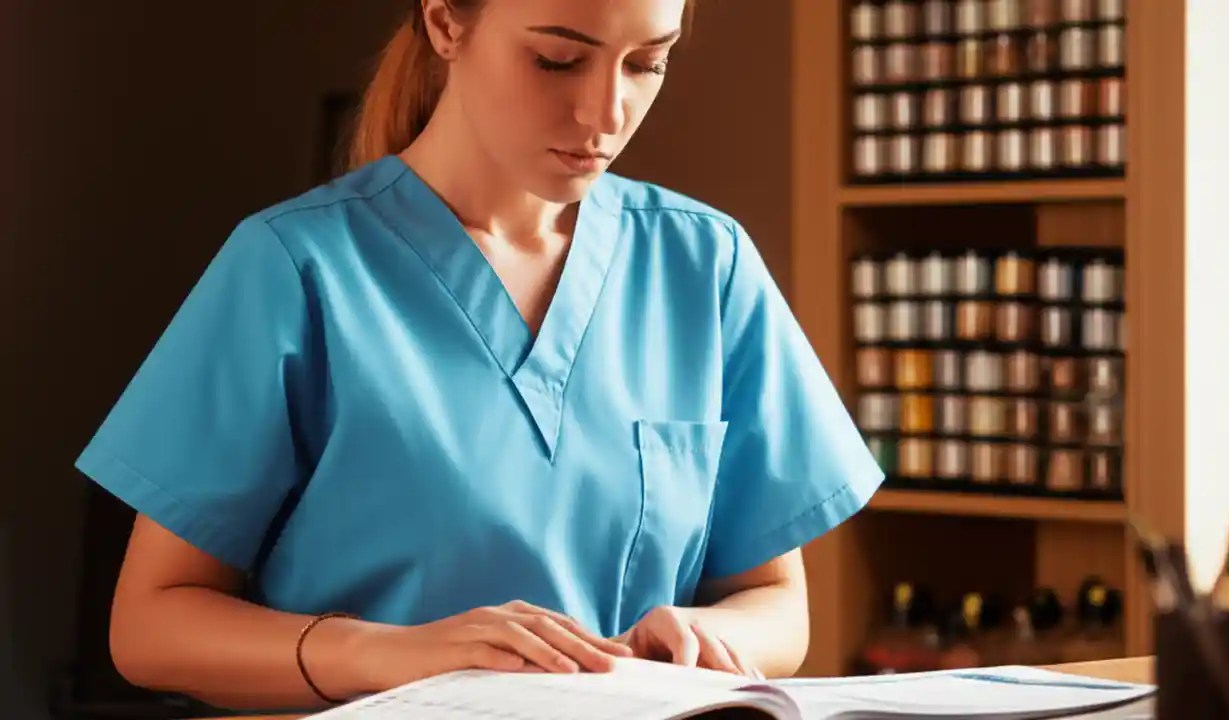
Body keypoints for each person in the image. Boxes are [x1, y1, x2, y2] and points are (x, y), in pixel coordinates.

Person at [74, 0, 884, 712]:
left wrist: (703, 635)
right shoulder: (293, 268)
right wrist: (390, 656)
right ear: (444, 21)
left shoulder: (704, 264)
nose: (605, 113)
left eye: (647, 63)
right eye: (558, 58)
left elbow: (777, 605)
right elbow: (150, 626)